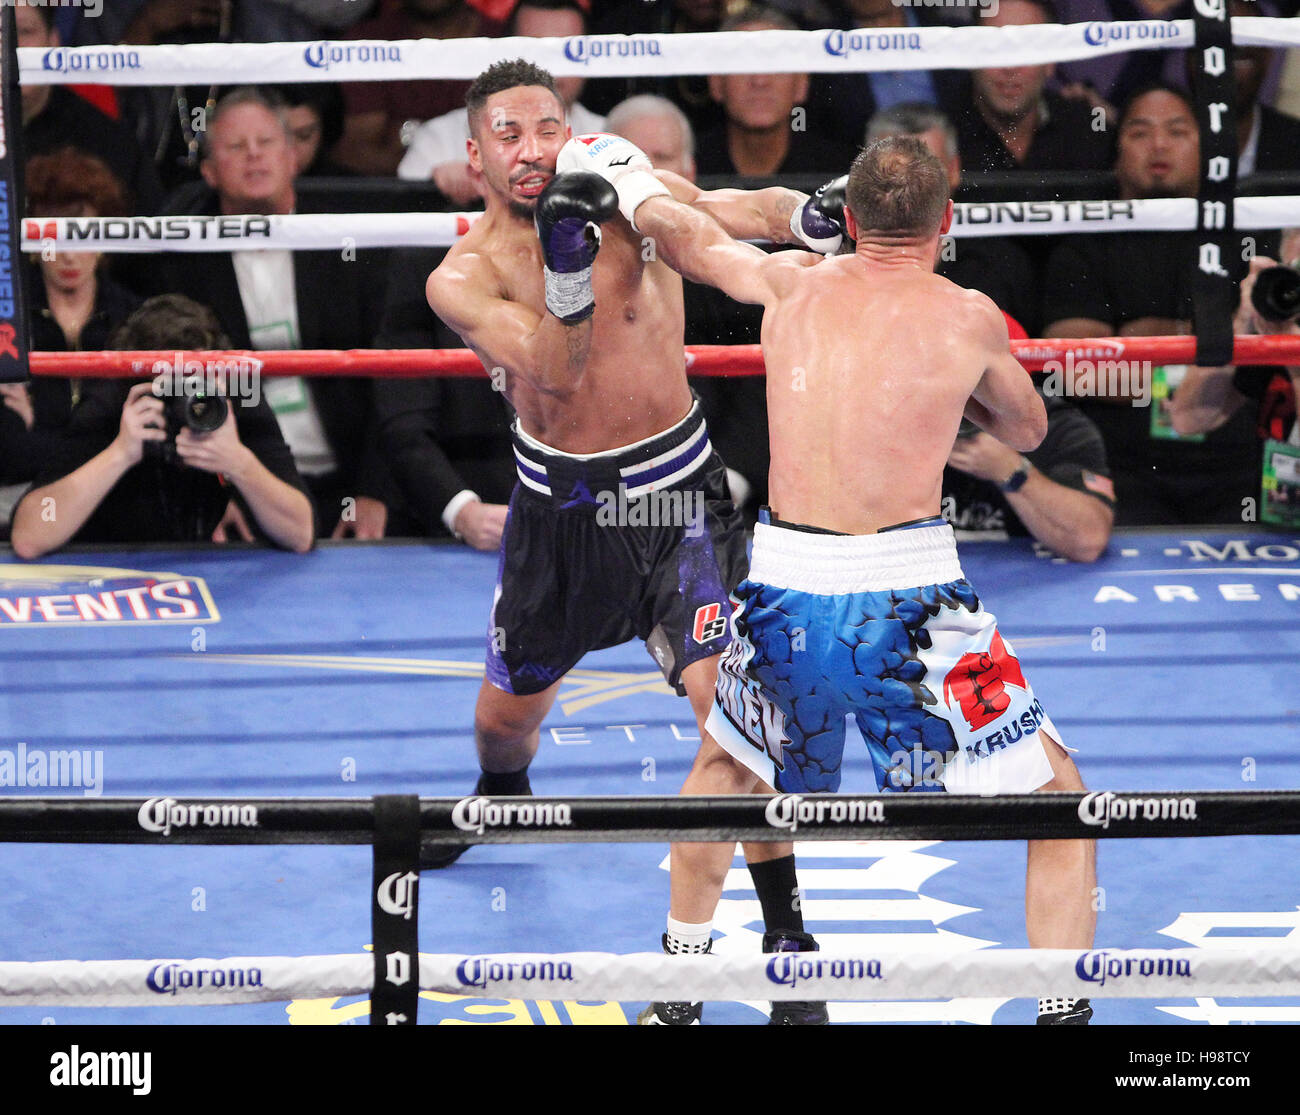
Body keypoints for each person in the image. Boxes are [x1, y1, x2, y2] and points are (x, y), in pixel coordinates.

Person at [571, 131, 1098, 1024]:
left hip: (786, 590)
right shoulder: (967, 313)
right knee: (1059, 798)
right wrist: (961, 382)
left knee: (727, 768)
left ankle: (678, 982)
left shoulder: (791, 283)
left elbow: (695, 241)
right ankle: (1063, 1007)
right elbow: (1032, 430)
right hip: (914, 604)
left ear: (846, 221)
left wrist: (626, 183)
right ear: (949, 223)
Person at [421, 58, 849, 1026]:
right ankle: (504, 788)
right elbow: (553, 371)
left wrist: (805, 219)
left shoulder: (614, 176)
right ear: (474, 153)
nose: (532, 150)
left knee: (732, 722)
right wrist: (567, 274)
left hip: (676, 503)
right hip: (558, 518)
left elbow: (713, 213)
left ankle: (787, 938)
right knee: (502, 718)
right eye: (508, 134)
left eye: (545, 126)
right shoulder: (461, 276)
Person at [159, 86, 395, 539]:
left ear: (291, 156)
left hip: (349, 481)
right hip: (246, 490)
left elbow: (389, 377)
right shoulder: (184, 263)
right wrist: (217, 492)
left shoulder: (347, 246)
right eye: (235, 146)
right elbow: (180, 389)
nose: (253, 156)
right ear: (208, 171)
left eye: (265, 142)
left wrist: (375, 489)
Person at [1042, 85, 1264, 524]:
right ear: (1117, 149)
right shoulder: (1085, 245)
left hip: (1237, 471)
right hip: (1123, 468)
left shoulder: (1247, 241)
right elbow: (1076, 371)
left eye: (1177, 132)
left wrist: (1145, 344)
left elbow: (1259, 362)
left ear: (1207, 148)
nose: (1159, 145)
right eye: (1140, 133)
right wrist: (1205, 353)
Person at [9, 295, 314, 559]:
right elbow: (29, 537)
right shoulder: (114, 402)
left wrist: (240, 464)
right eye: (169, 386)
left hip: (209, 581)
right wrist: (119, 454)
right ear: (142, 382)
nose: (186, 399)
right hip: (115, 574)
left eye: (195, 381)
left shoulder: (233, 395)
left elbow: (300, 533)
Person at [397, 0, 606, 203]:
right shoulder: (438, 139)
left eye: (569, 52)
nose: (553, 69)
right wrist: (434, 188)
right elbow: (398, 216)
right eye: (537, 52)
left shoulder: (609, 136)